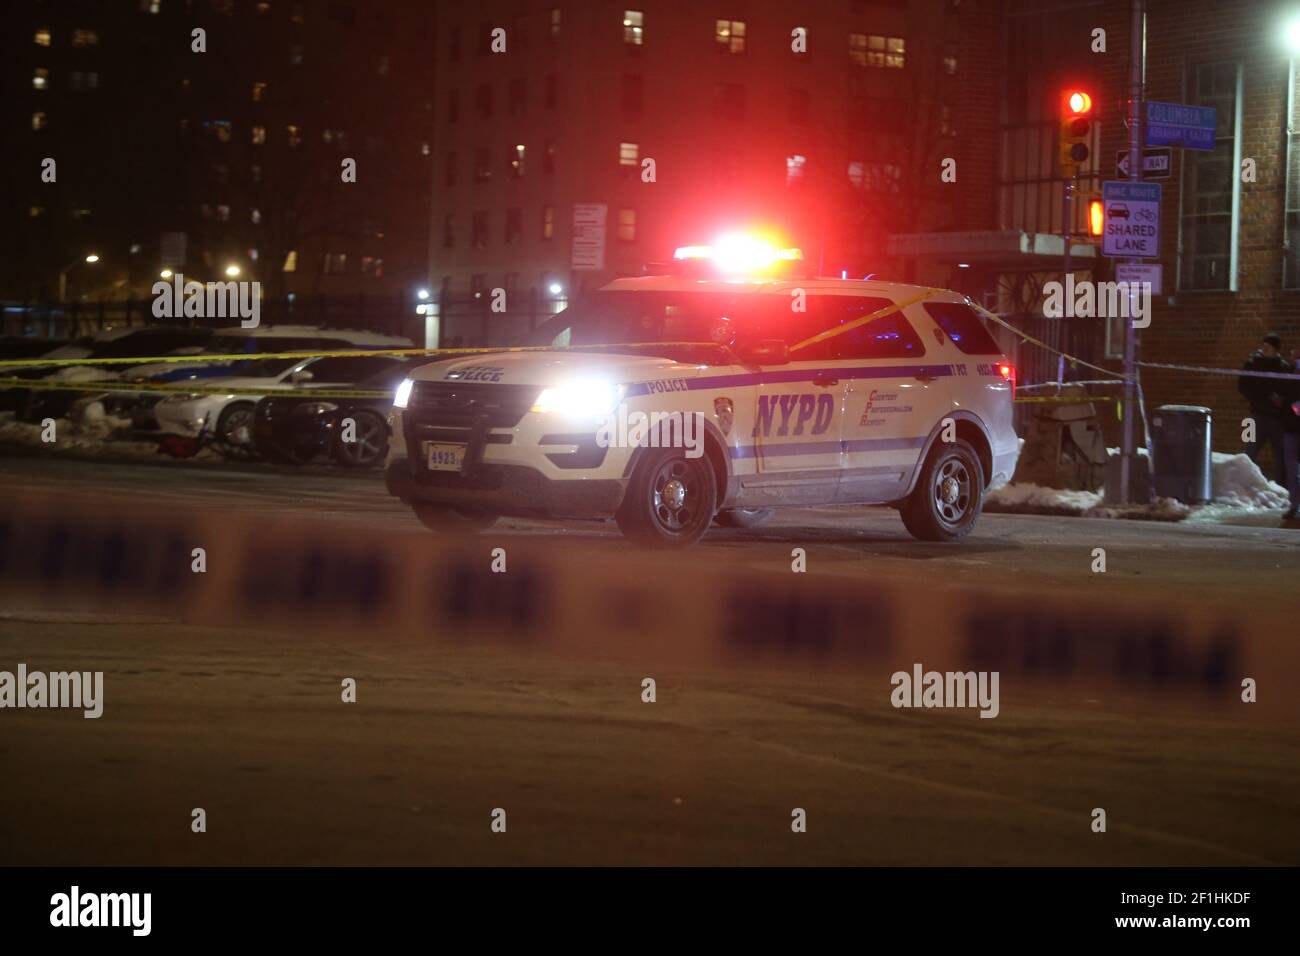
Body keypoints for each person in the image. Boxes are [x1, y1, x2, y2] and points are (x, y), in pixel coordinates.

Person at [1238, 333, 1293, 485]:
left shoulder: (1283, 367)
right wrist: (1260, 397)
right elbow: (1243, 385)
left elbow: (1286, 391)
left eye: (1267, 346)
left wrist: (1274, 399)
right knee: (1248, 452)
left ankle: (1282, 488)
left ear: (1275, 349)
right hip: (1254, 416)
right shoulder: (1253, 363)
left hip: (1276, 418)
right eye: (1263, 346)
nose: (1263, 349)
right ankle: (1243, 486)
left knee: (1280, 455)